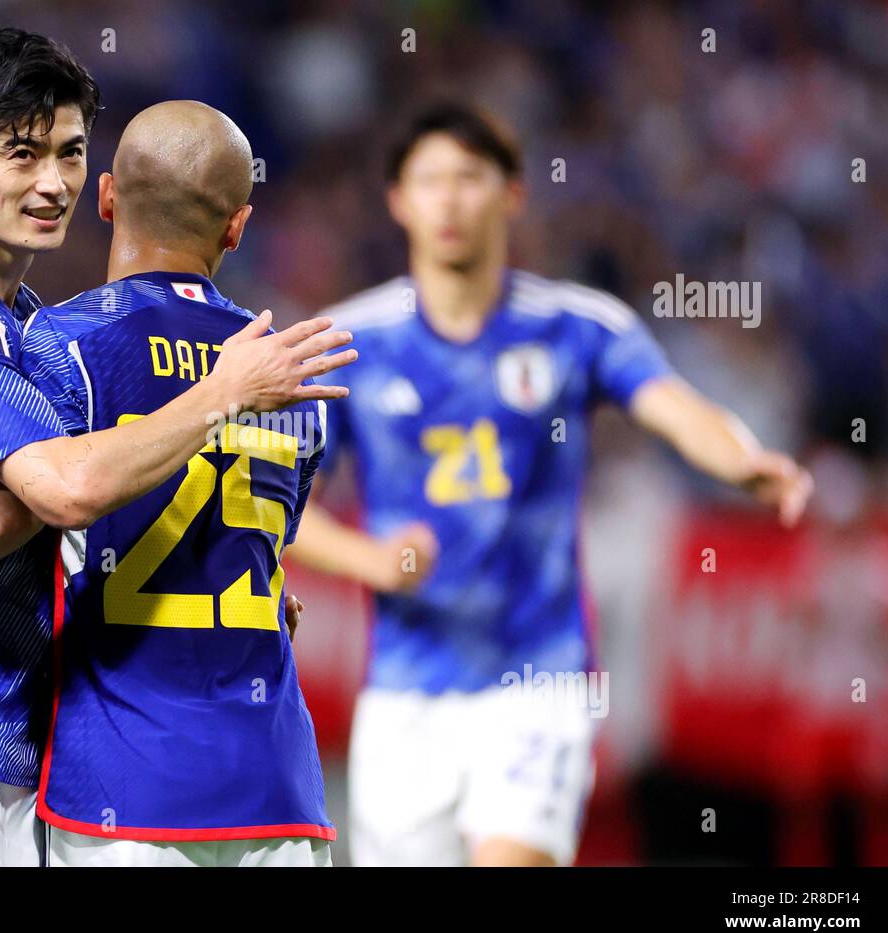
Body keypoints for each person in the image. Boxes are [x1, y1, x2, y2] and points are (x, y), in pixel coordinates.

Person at [0, 27, 350, 868]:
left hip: (19, 737)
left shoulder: (30, 325)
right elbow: (52, 495)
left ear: (103, 186)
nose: (51, 182)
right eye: (20, 155)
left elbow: (46, 511)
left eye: (67, 152)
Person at [283, 102, 814, 867]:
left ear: (512, 193)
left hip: (539, 680)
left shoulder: (577, 326)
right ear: (398, 200)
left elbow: (672, 404)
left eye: (471, 178)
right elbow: (282, 509)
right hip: (405, 697)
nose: (451, 200)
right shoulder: (348, 343)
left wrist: (742, 458)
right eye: (430, 181)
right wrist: (371, 561)